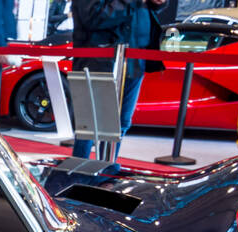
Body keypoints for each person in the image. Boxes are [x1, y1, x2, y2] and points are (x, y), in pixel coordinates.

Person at [70, 0, 166, 158]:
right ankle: (79, 172)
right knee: (89, 126)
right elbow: (94, 18)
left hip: (135, 59)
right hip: (100, 61)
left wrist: (156, 3)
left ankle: (107, 171)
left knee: (121, 124)